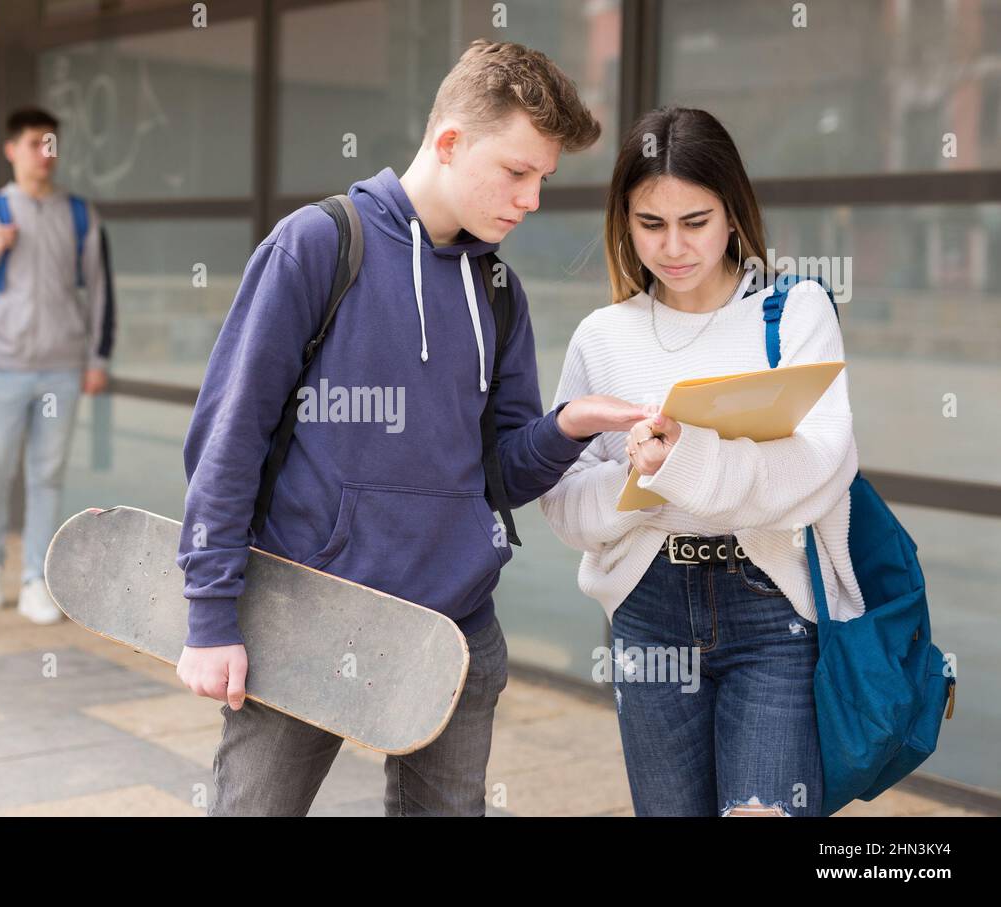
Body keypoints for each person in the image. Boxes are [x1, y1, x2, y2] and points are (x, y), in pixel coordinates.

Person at [175, 39, 649, 816]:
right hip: (308, 614)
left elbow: (501, 472)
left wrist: (564, 430)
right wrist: (210, 616)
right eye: (517, 171)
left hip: (453, 631)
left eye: (544, 179)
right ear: (451, 141)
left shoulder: (497, 289)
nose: (531, 199)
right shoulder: (319, 245)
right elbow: (229, 439)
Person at [539, 106, 865, 816]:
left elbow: (820, 469)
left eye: (696, 220)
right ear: (624, 220)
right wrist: (639, 476)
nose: (674, 246)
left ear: (733, 213)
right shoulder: (604, 337)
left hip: (772, 607)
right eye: (650, 223)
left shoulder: (795, 310)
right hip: (648, 609)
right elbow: (563, 504)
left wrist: (682, 464)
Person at [0, 107, 116, 624]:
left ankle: (34, 582)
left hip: (63, 367)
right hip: (5, 365)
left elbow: (101, 290)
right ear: (11, 150)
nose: (45, 154)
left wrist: (98, 359)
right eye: (33, 144)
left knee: (46, 475)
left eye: (51, 143)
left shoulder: (80, 213)